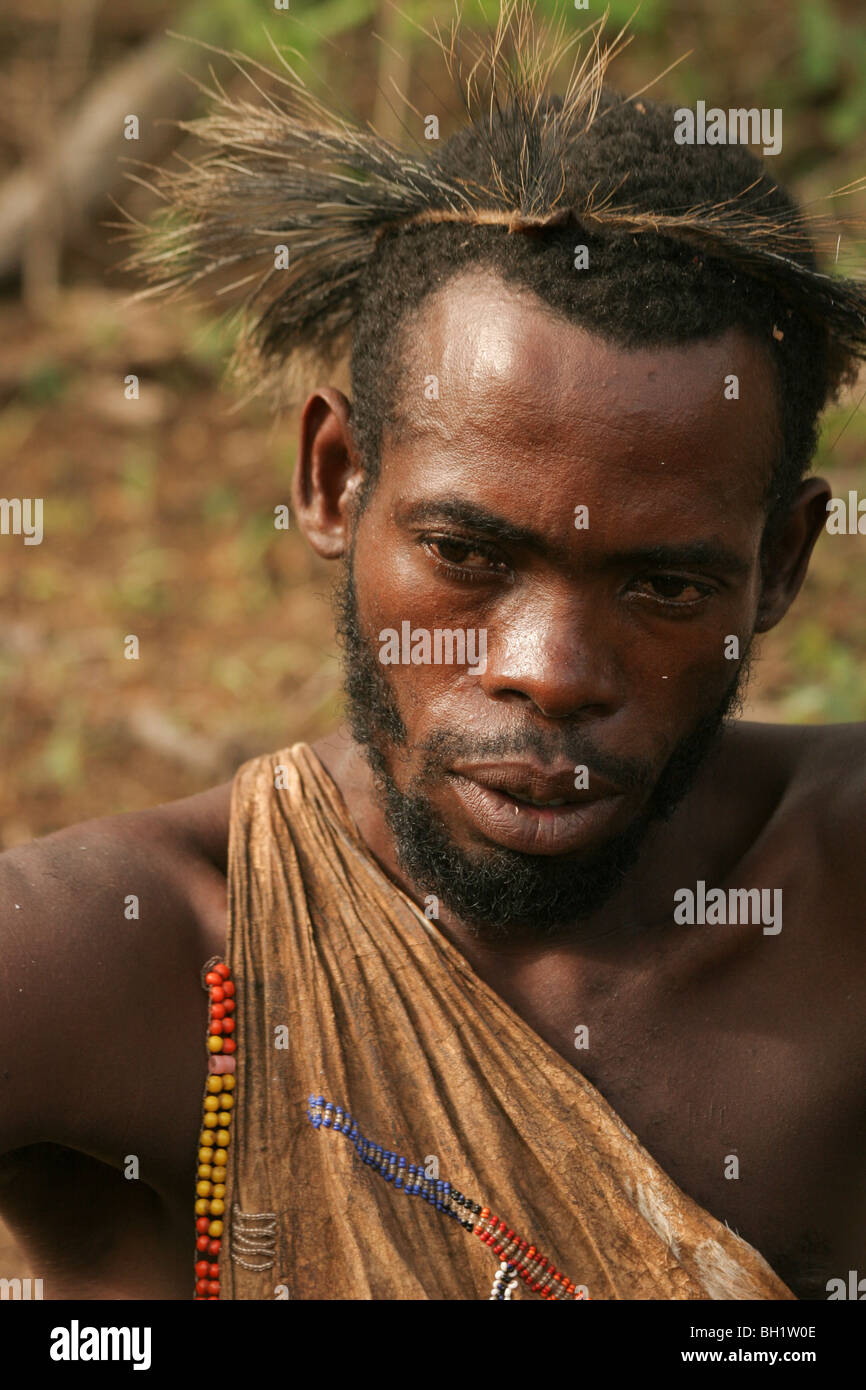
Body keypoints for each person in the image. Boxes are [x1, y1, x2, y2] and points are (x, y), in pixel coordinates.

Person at [1, 1, 864, 1300]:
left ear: (781, 563)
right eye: (468, 555)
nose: (552, 670)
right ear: (334, 480)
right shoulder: (137, 958)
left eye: (662, 583)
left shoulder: (840, 894)